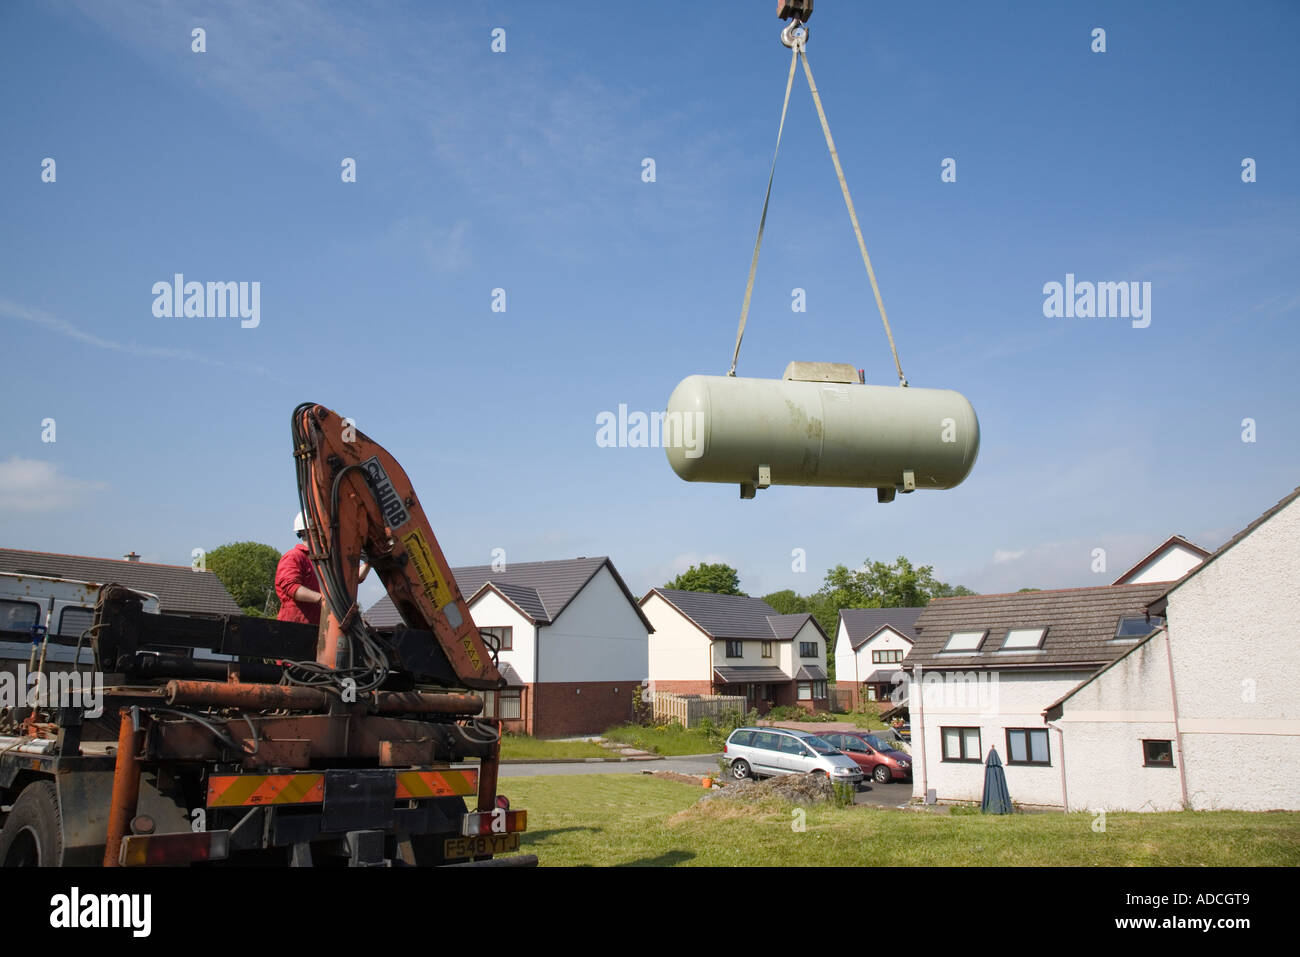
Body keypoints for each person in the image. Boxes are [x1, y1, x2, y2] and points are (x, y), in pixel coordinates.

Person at [275, 511, 324, 625]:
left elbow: (352, 579)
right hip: (294, 628)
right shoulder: (294, 556)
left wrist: (368, 562)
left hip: (316, 627)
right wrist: (323, 599)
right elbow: (292, 587)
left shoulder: (321, 561)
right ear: (309, 531)